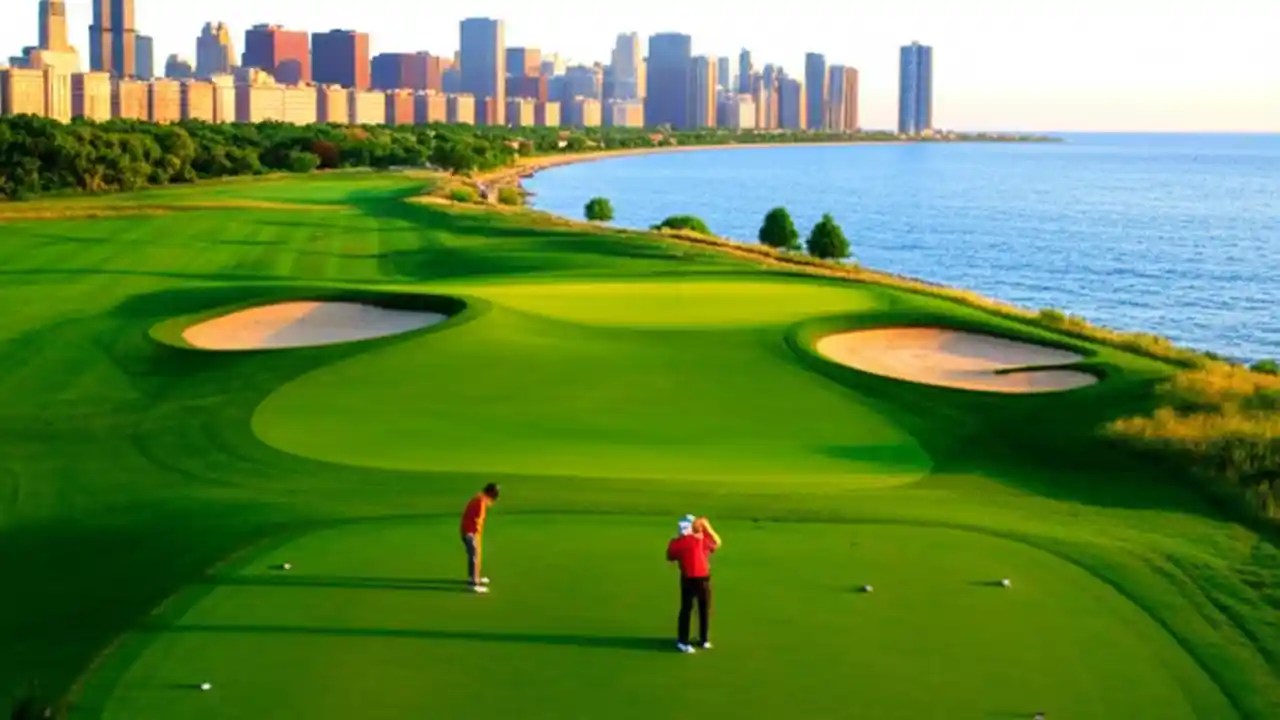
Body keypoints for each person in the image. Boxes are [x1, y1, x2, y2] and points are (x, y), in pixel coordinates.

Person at [666, 515, 722, 653]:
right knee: (697, 609)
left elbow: (670, 555)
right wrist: (708, 527)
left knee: (692, 609)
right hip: (696, 578)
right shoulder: (699, 540)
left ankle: (694, 640)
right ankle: (692, 641)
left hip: (694, 578)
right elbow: (717, 542)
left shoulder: (678, 542)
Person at [460, 483, 500, 593]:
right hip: (470, 532)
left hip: (468, 531)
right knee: (474, 556)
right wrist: (476, 535)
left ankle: (473, 578)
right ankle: (474, 583)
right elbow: (477, 521)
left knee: (474, 555)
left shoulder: (479, 498)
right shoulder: (481, 502)